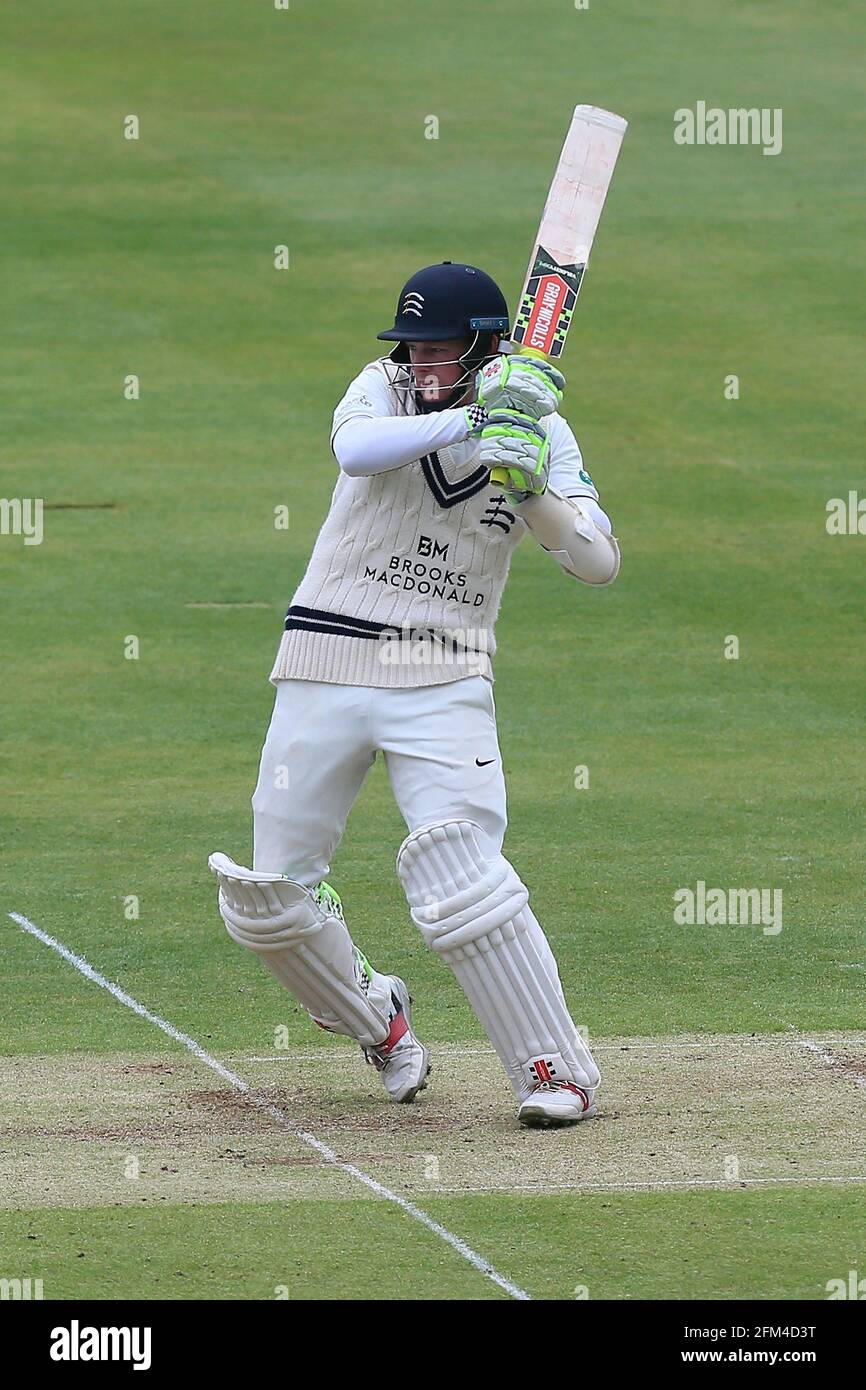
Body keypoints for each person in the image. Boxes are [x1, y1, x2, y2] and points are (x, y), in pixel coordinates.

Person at [209, 261, 620, 1127]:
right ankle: (379, 1018)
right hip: (325, 657)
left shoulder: (544, 431)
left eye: (438, 349)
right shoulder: (382, 389)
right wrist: (477, 419)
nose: (420, 363)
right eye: (412, 347)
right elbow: (354, 451)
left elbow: (597, 562)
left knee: (464, 880)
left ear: (484, 347)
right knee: (266, 901)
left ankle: (555, 1067)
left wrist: (534, 488)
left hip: (444, 674)